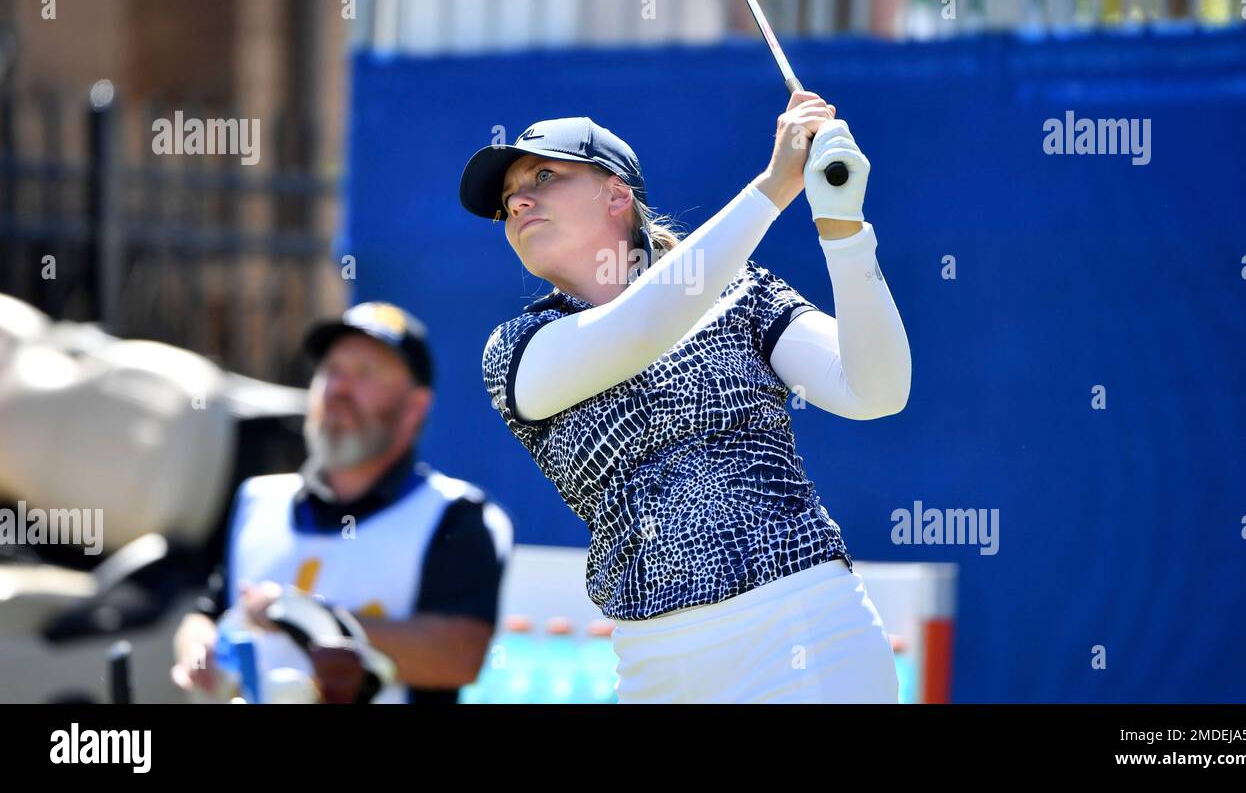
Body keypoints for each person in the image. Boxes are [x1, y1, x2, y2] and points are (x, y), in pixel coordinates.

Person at [457, 94, 910, 702]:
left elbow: (876, 391)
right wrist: (774, 188)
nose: (517, 201)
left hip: (807, 628)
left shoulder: (743, 293)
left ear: (617, 195)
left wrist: (844, 232)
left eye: (544, 176)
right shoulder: (514, 349)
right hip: (658, 667)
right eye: (508, 199)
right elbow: (639, 329)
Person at [171, 302, 512, 703]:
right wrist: (199, 653)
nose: (339, 389)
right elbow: (206, 615)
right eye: (331, 371)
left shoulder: (456, 514)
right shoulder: (257, 500)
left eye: (365, 373)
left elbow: (460, 655)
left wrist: (309, 619)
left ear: (416, 406)